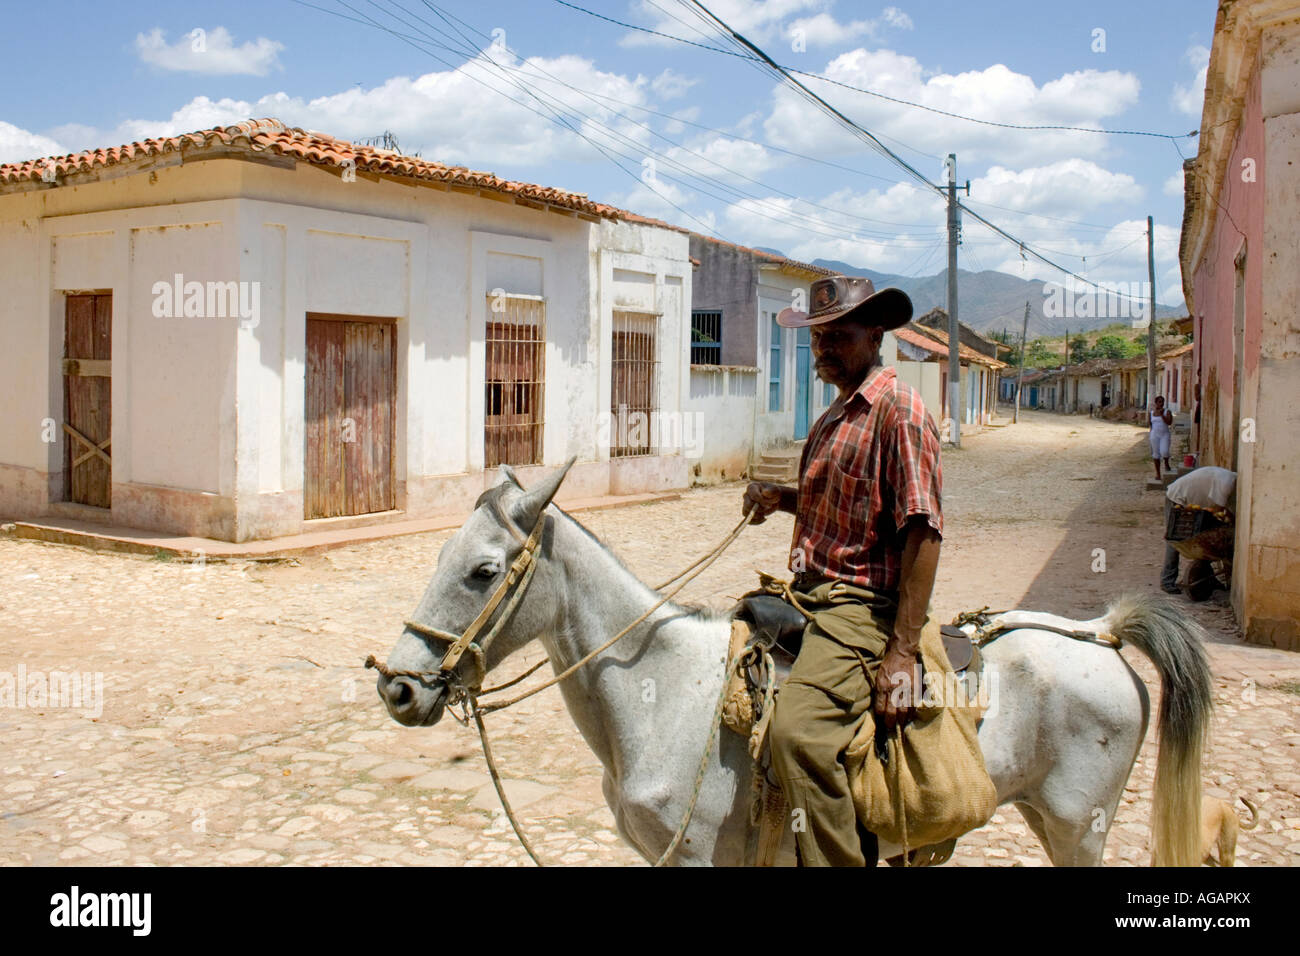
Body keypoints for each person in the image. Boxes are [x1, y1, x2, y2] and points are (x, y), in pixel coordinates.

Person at [742, 275, 942, 867]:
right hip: (809, 591)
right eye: (817, 338)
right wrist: (781, 498)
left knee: (797, 738)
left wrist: (901, 653)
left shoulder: (898, 412)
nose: (824, 349)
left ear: (875, 334)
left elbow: (922, 530)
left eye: (838, 336)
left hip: (860, 605)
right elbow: (844, 505)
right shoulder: (837, 413)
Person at [1149, 395, 1173, 479]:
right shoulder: (1151, 413)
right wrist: (1151, 434)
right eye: (1159, 402)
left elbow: (1169, 422)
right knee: (1156, 454)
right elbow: (1151, 424)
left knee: (1165, 451)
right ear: (1156, 403)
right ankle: (1158, 474)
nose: (1161, 403)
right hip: (1154, 435)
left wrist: (1162, 415)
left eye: (1162, 402)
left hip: (1164, 434)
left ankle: (1166, 463)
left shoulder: (1167, 412)